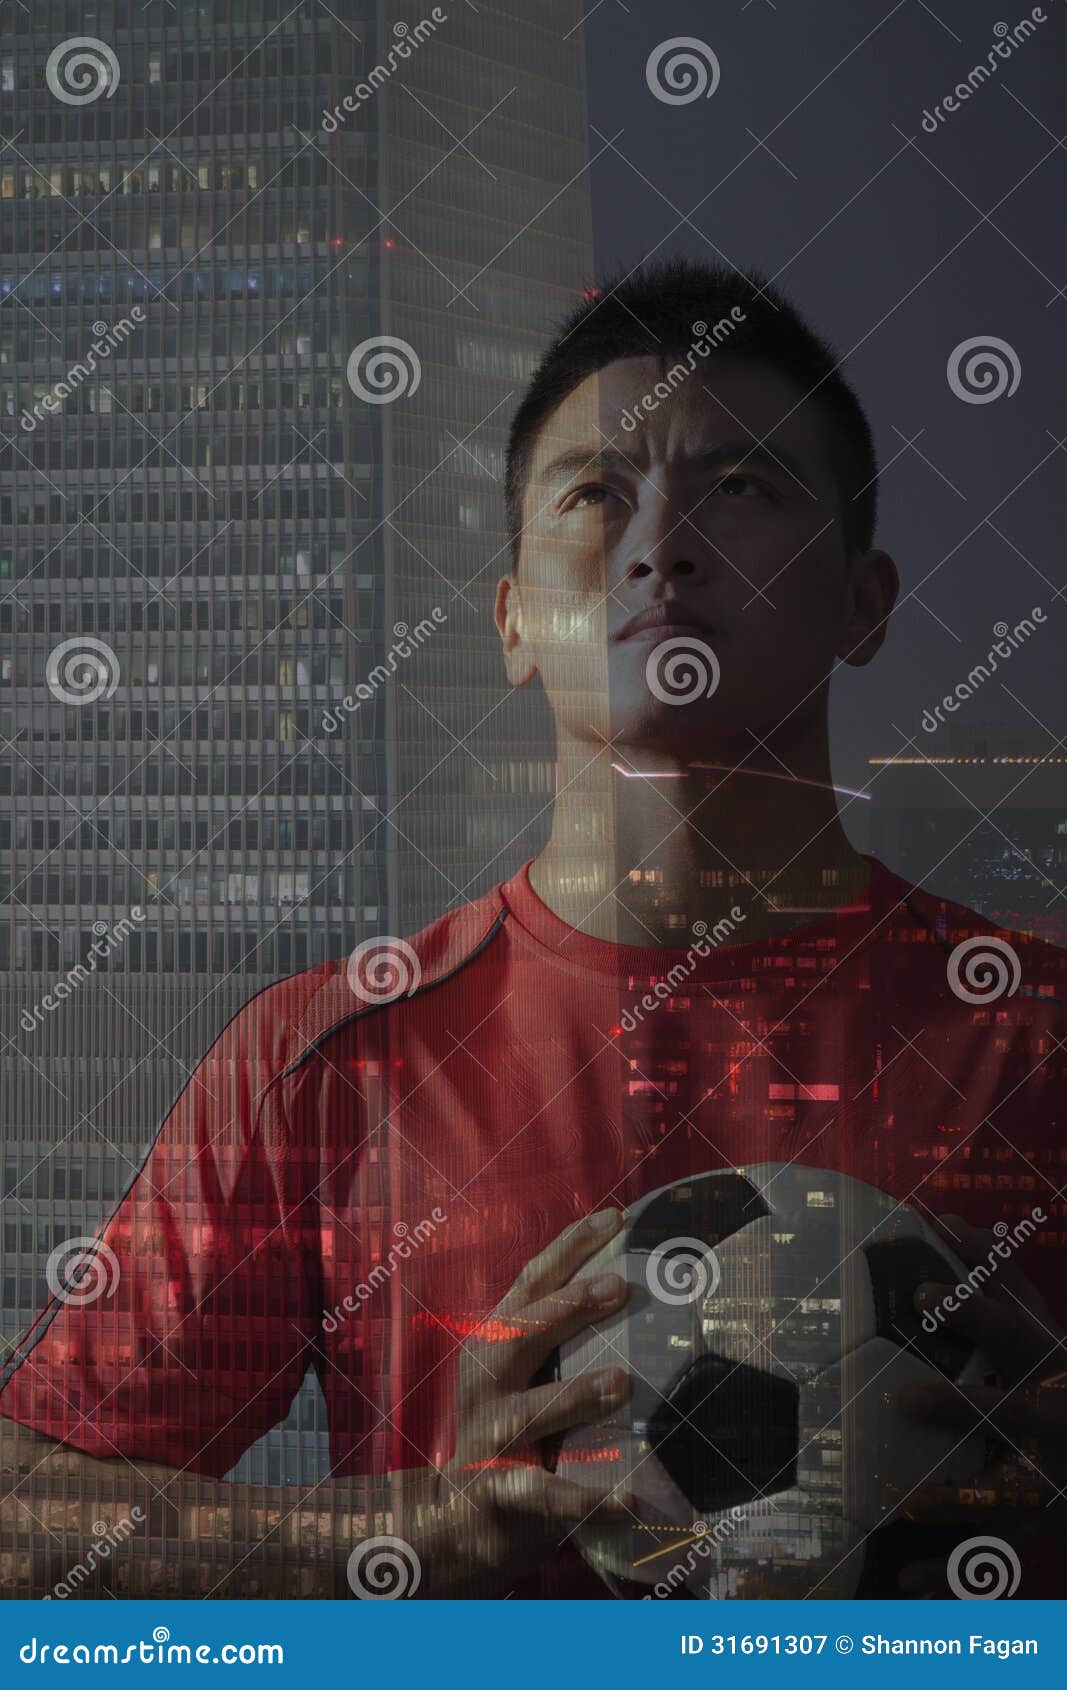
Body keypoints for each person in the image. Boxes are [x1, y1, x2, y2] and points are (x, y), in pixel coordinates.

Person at [2, 258, 1065, 1600]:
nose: (659, 543)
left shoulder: (1038, 1037)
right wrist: (404, 1530)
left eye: (740, 489)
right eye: (593, 495)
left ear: (864, 601)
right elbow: (19, 1519)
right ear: (512, 619)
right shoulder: (330, 1058)